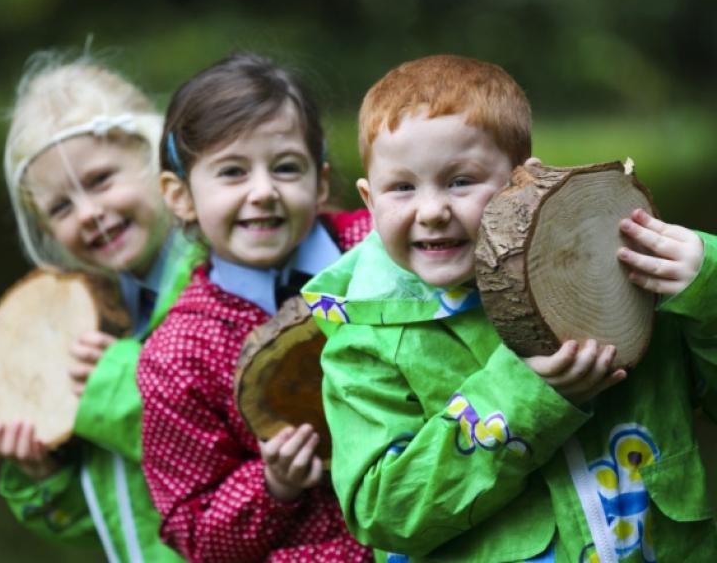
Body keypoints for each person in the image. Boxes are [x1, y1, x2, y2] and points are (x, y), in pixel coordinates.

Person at [301, 54, 717, 562]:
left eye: (460, 181)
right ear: (369, 200)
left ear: (525, 179)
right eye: (403, 187)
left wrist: (707, 283)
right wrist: (525, 400)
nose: (432, 211)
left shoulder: (610, 268)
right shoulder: (365, 340)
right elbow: (383, 513)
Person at [137, 52, 372, 562]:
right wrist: (272, 484)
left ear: (320, 180)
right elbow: (192, 531)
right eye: (232, 172)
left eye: (286, 168)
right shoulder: (178, 354)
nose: (263, 192)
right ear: (180, 196)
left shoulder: (377, 254)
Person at [0, 51, 202, 562]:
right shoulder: (101, 313)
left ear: (156, 160)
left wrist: (106, 386)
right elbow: (126, 514)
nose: (88, 213)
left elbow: (207, 436)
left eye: (102, 179)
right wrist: (48, 476)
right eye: (61, 207)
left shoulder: (213, 278)